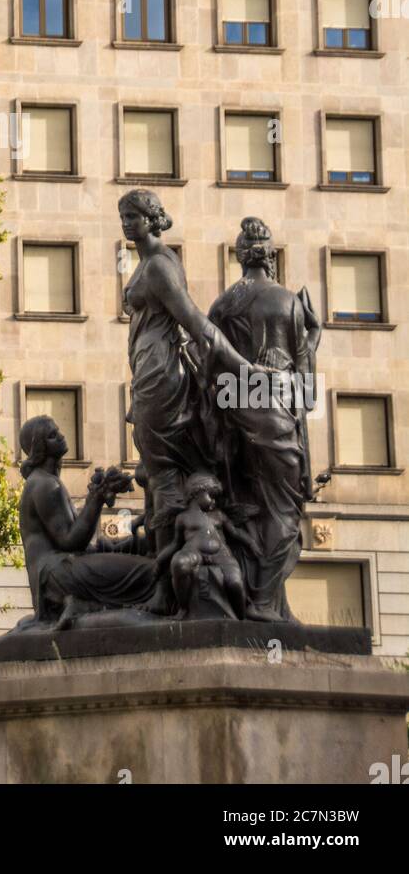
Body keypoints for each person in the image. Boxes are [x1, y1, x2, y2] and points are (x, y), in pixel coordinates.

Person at [118, 189, 255, 611]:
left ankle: (166, 592)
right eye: (123, 216)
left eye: (134, 216)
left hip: (162, 378)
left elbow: (194, 321)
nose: (126, 223)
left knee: (162, 476)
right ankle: (167, 587)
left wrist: (243, 370)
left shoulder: (159, 265)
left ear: (152, 218)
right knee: (162, 476)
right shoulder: (147, 263)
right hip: (148, 373)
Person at [207, 216, 318, 621]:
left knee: (249, 513)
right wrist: (313, 336)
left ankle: (264, 602)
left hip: (234, 422)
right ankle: (262, 602)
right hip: (277, 420)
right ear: (271, 259)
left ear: (241, 259)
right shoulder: (289, 302)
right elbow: (304, 386)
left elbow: (211, 368)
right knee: (285, 514)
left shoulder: (223, 304)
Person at [17, 415, 156, 628]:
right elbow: (71, 542)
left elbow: (79, 544)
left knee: (143, 561)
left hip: (63, 568)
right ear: (39, 447)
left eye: (58, 432)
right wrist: (98, 497)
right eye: (53, 436)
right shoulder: (45, 485)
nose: (62, 437)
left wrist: (122, 546)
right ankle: (86, 607)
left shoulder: (49, 482)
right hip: (57, 575)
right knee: (150, 573)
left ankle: (82, 606)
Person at [154, 473, 259, 621]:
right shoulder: (183, 518)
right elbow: (175, 544)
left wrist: (251, 542)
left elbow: (235, 532)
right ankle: (183, 608)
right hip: (193, 552)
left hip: (221, 554)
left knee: (234, 582)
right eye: (211, 496)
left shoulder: (218, 515)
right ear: (197, 493)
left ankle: (241, 617)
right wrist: (159, 560)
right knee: (179, 563)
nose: (214, 501)